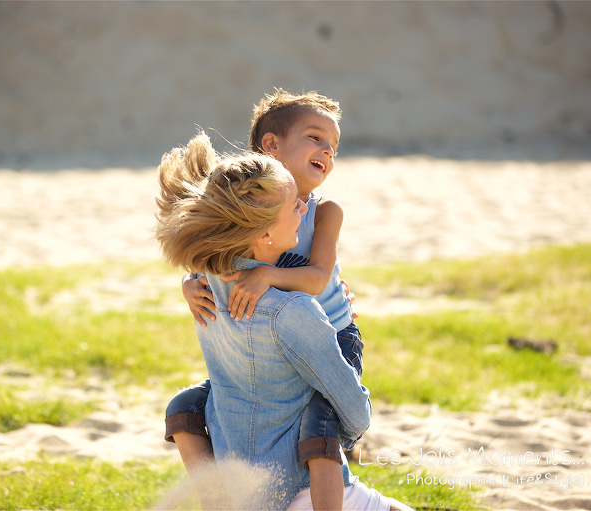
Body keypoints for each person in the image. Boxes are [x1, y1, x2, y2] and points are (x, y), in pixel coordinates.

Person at [155, 131, 411, 510]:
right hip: (302, 489)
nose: (304, 211)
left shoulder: (204, 291)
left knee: (185, 404)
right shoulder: (291, 311)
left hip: (242, 485)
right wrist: (344, 430)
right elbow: (355, 412)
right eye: (294, 206)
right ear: (265, 234)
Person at [169, 89, 363, 508]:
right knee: (185, 408)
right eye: (315, 138)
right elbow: (209, 241)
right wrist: (189, 284)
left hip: (331, 337)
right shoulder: (244, 196)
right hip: (264, 347)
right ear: (271, 146)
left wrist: (269, 275)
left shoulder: (325, 211)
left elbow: (316, 279)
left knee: (320, 426)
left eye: (334, 146)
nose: (327, 151)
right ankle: (217, 501)